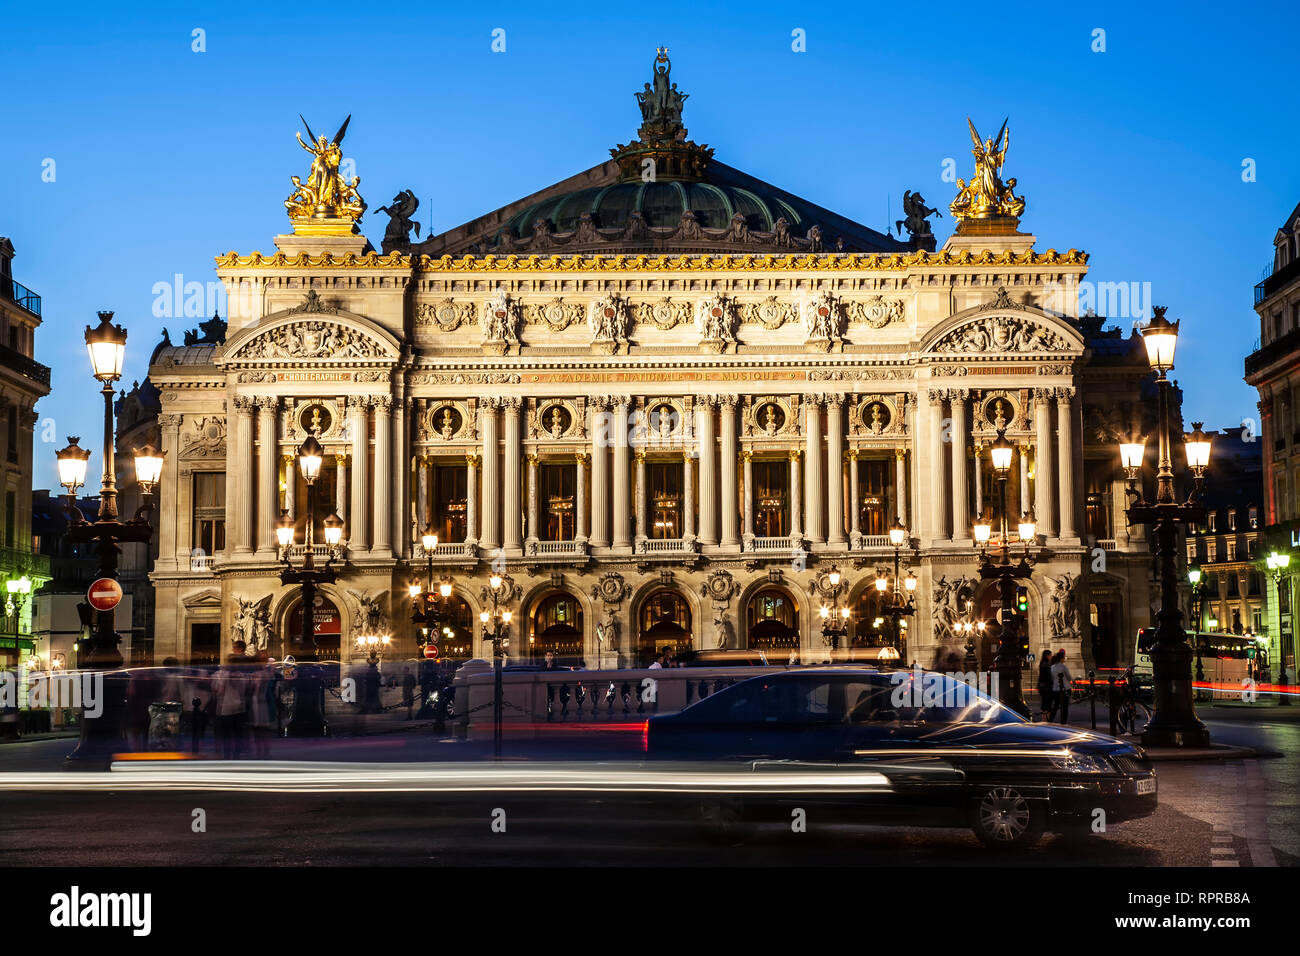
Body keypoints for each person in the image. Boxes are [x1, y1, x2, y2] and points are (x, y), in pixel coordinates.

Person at [213, 654, 250, 759]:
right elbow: (246, 691)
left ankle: (227, 756)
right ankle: (236, 756)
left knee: (227, 735)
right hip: (239, 707)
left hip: (227, 707)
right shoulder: (243, 676)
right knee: (238, 734)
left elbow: (220, 692)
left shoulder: (224, 676)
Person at [1049, 650, 1074, 724]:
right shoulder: (1063, 667)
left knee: (1056, 706)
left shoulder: (1052, 667)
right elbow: (1069, 677)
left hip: (1055, 689)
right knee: (1065, 707)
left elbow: (1051, 678)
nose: (1064, 659)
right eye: (1064, 658)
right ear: (1061, 658)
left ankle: (1050, 719)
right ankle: (1064, 722)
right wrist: (1073, 680)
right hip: (1065, 688)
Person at [1036, 652, 1055, 722]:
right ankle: (1046, 720)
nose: (1051, 656)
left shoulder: (1042, 663)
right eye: (1050, 655)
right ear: (1047, 656)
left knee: (1044, 704)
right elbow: (1048, 677)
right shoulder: (1046, 665)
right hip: (1047, 687)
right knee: (1048, 705)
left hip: (1042, 686)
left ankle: (1044, 719)